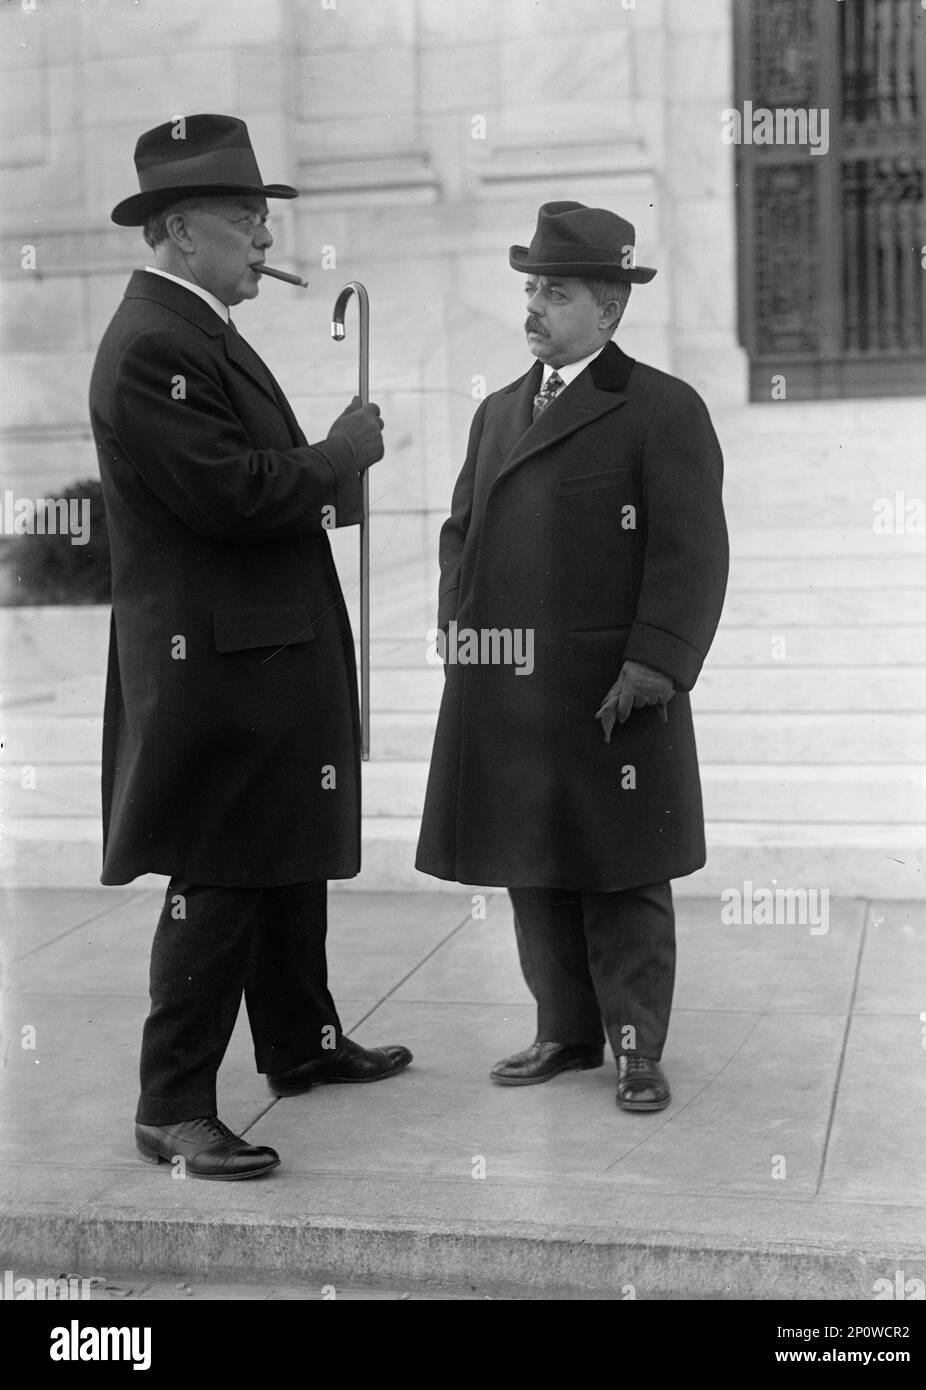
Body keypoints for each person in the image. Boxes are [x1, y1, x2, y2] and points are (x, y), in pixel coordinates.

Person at [90, 114, 411, 1180]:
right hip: (213, 660)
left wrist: (327, 470)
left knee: (283, 853)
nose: (265, 243)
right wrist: (335, 456)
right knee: (222, 871)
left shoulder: (197, 332)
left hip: (259, 646)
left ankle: (301, 1043)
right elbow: (228, 494)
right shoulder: (152, 346)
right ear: (181, 230)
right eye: (244, 222)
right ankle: (171, 1105)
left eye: (264, 221)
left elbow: (249, 477)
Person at [416, 201, 729, 1112]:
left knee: (624, 873)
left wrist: (656, 665)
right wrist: (459, 635)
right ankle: (564, 1030)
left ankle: (637, 1047)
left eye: (555, 292)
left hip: (612, 691)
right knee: (533, 864)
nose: (533, 307)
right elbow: (459, 533)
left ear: (610, 309)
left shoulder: (661, 408)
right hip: (510, 688)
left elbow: (691, 550)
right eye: (529, 289)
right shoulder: (496, 412)